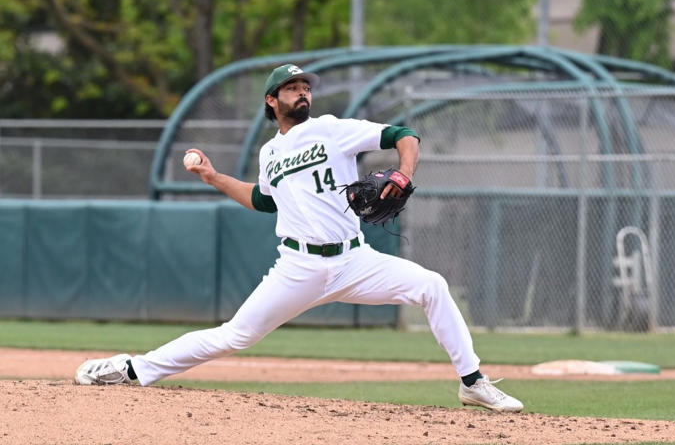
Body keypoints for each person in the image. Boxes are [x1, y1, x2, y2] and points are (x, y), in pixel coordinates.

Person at [75, 63, 524, 413]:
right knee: (233, 336)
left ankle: (473, 384)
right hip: (298, 267)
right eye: (292, 88)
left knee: (433, 286)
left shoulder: (330, 128)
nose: (302, 92)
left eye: (306, 87)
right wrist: (213, 178)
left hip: (354, 261)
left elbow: (402, 134)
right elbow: (263, 200)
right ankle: (131, 368)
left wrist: (405, 173)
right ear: (272, 101)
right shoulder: (270, 152)